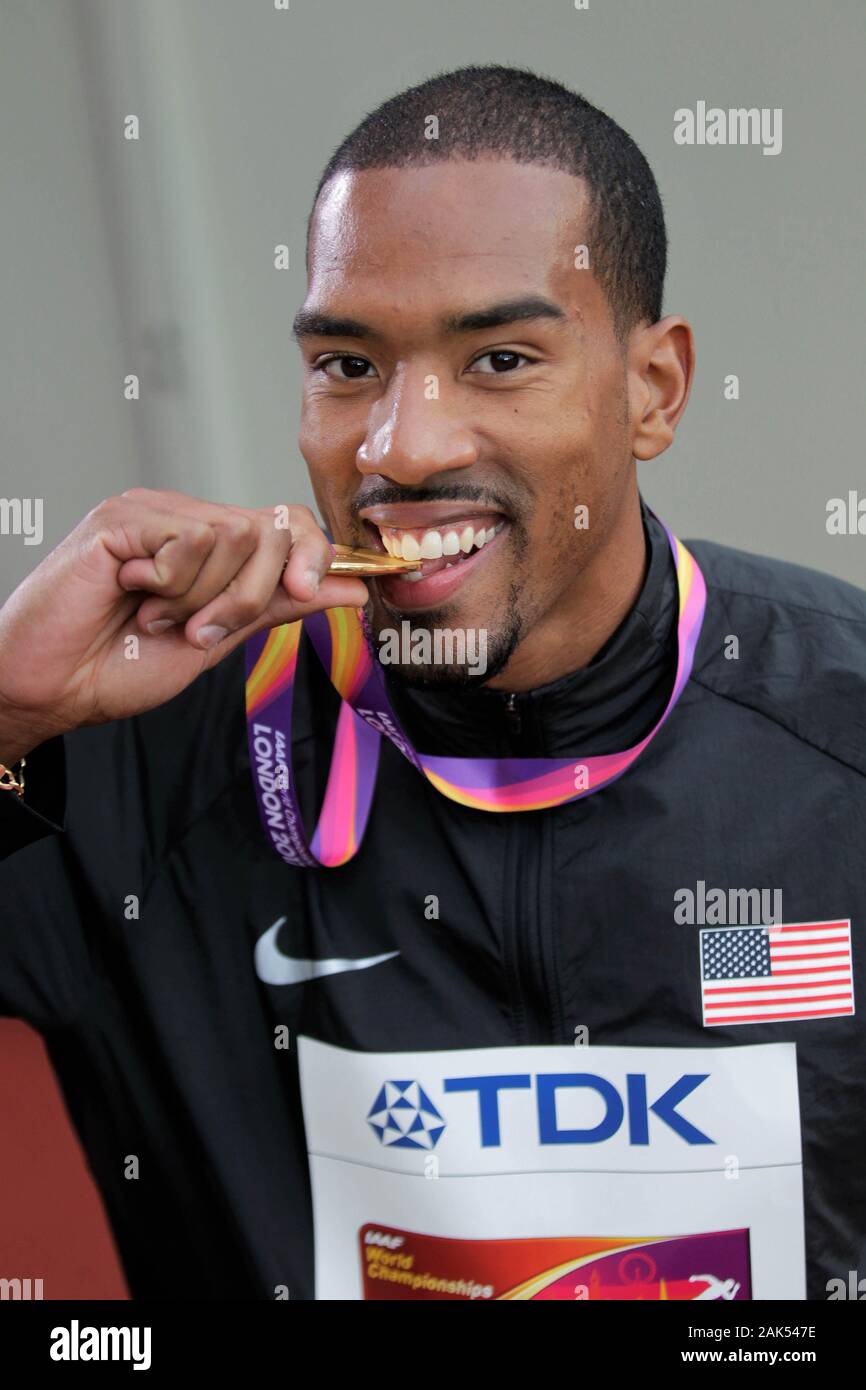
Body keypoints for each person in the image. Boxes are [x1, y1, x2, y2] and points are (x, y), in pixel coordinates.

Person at [0, 65, 863, 1303]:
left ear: (654, 389)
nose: (400, 446)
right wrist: (10, 705)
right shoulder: (136, 748)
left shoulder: (839, 731)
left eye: (500, 358)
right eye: (346, 365)